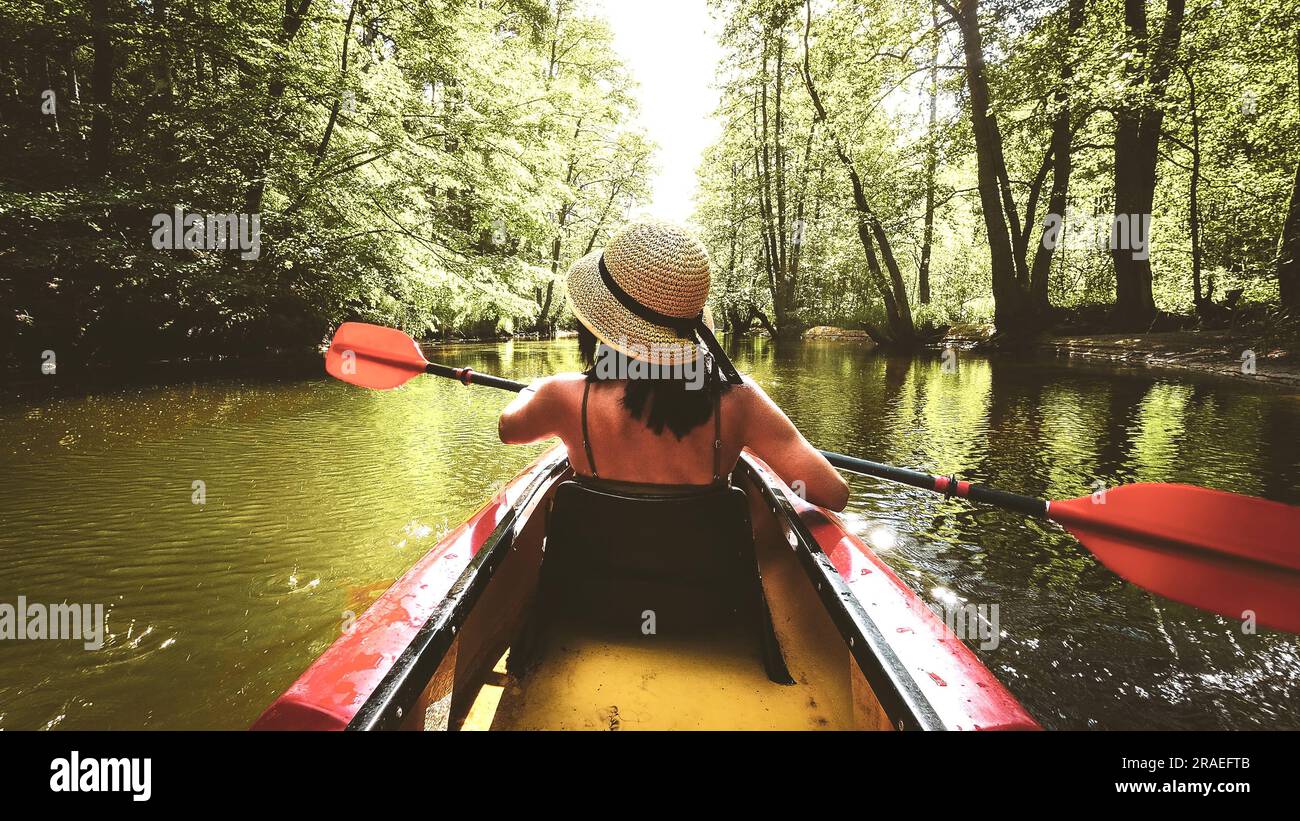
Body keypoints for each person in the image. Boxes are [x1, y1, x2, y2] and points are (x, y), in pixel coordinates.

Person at [498, 219, 848, 511]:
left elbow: (509, 430)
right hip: (703, 592)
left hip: (594, 590)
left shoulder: (560, 396)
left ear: (597, 327)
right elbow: (832, 493)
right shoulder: (740, 401)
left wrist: (533, 389)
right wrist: (744, 437)